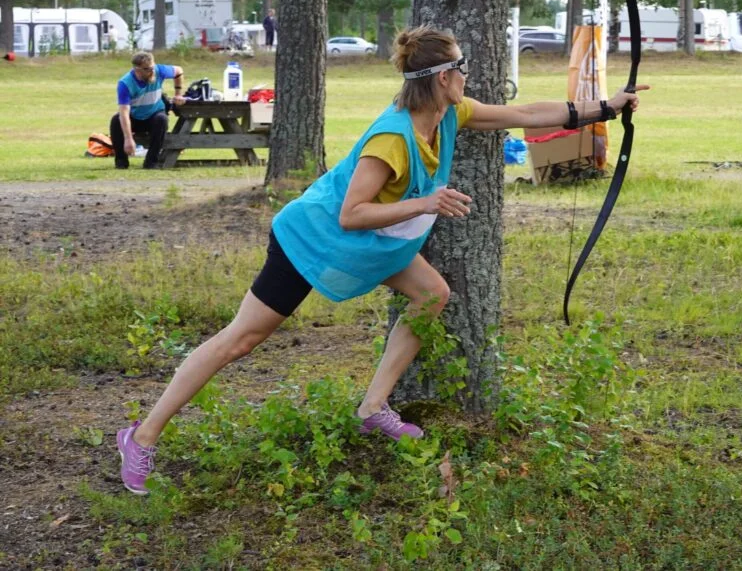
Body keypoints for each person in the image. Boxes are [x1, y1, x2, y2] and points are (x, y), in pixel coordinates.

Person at [116, 25, 647, 495]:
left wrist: (606, 107)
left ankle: (373, 408)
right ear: (442, 77)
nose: (466, 74)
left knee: (431, 294)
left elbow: (527, 113)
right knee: (242, 339)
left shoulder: (451, 112)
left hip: (377, 243)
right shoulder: (391, 139)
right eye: (461, 66)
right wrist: (427, 202)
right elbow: (351, 213)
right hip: (314, 239)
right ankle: (141, 436)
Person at [111, 52, 185, 170]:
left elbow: (179, 71)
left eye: (152, 67)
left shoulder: (159, 70)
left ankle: (151, 162)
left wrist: (178, 94)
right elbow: (124, 113)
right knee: (116, 120)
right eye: (147, 69)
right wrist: (128, 139)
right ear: (137, 69)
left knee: (162, 119)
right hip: (135, 117)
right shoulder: (125, 84)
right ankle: (121, 162)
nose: (152, 72)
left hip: (154, 115)